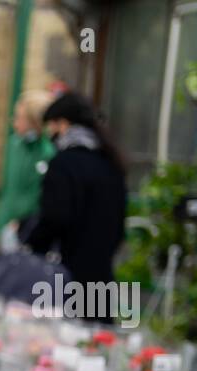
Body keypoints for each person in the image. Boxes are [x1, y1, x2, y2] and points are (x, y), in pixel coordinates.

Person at [22, 91, 128, 317]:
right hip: (101, 275)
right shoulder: (110, 162)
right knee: (95, 342)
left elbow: (55, 217)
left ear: (63, 124)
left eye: (51, 126)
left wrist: (31, 242)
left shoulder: (63, 164)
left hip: (67, 276)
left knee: (62, 342)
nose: (50, 133)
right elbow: (119, 224)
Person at [0, 90, 56, 254]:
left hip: (27, 232)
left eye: (20, 118)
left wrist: (23, 222)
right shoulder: (14, 145)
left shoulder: (49, 152)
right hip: (3, 224)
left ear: (36, 122)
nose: (15, 123)